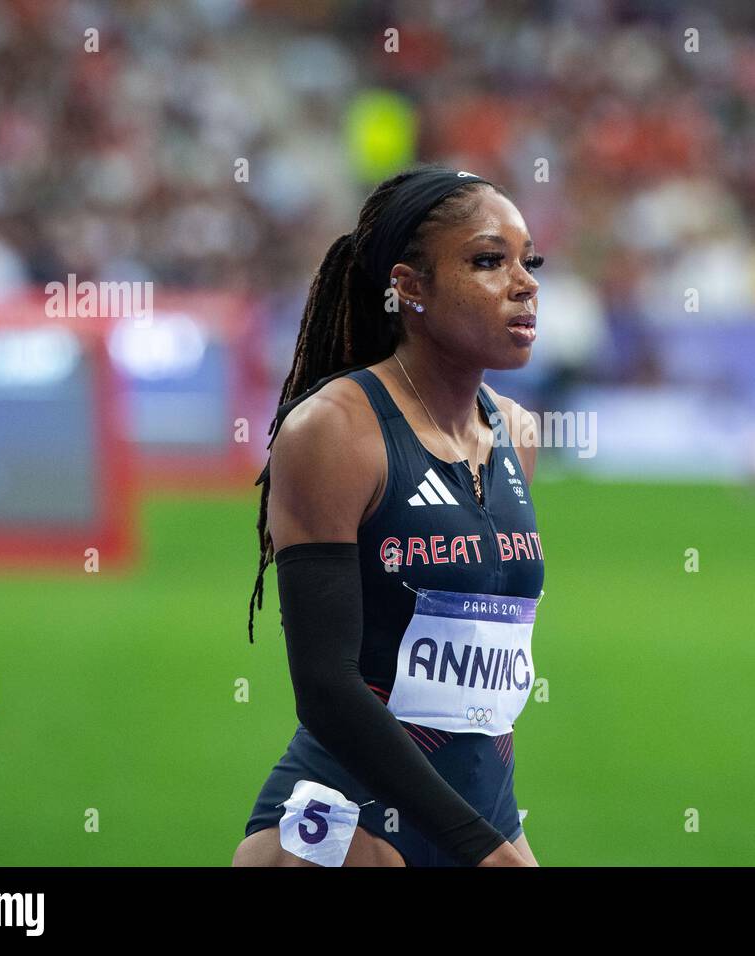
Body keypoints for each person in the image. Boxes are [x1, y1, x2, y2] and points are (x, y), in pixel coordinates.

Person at [232, 164, 546, 867]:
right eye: (489, 261)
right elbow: (325, 687)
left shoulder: (516, 434)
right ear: (409, 287)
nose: (525, 284)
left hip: (482, 816)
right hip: (345, 830)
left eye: (531, 261)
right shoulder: (336, 431)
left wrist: (489, 837)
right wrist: (479, 848)